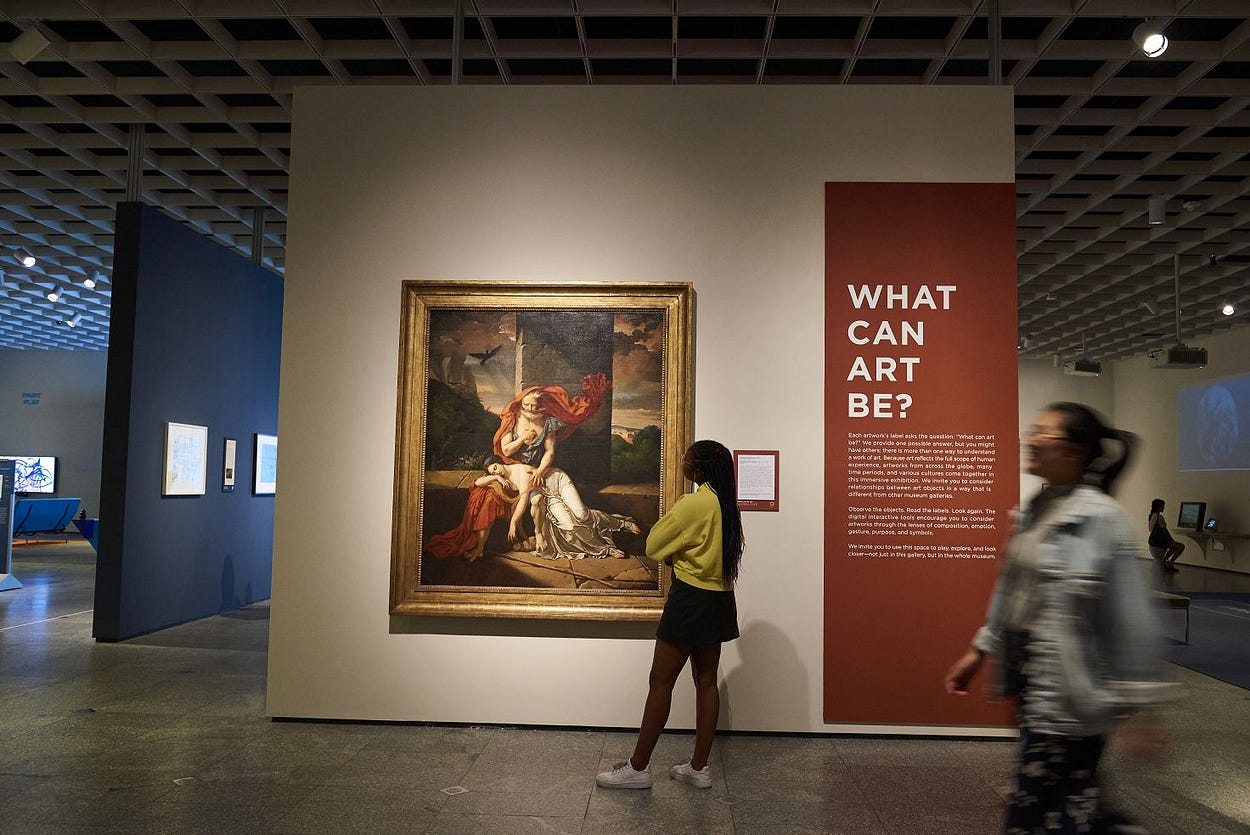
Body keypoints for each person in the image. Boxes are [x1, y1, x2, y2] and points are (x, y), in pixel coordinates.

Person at [944, 402, 1169, 833]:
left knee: (1038, 813)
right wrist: (979, 651)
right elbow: (1013, 591)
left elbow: (1130, 619)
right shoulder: (1035, 509)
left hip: (1072, 697)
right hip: (1036, 692)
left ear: (1072, 451)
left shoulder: (1102, 520)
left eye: (1042, 433)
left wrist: (1141, 707)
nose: (1030, 440)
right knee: (1068, 804)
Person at [596, 440, 745, 791]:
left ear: (698, 469)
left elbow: (653, 545)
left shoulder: (693, 503)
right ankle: (699, 768)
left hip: (690, 599)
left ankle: (638, 768)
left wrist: (675, 554)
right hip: (720, 600)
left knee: (660, 682)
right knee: (706, 682)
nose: (682, 463)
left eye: (685, 459)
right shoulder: (726, 502)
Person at [480, 458, 639, 559]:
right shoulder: (504, 479)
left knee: (582, 514)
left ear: (499, 462)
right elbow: (478, 482)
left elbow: (523, 499)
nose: (497, 471)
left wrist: (513, 523)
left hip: (557, 481)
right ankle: (605, 549)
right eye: (493, 471)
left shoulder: (519, 471)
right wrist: (496, 477)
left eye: (495, 467)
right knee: (569, 525)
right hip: (548, 497)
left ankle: (619, 523)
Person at [1148, 498, 1184, 573]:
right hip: (1160, 542)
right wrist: (1171, 540)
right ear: (1159, 507)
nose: (1164, 508)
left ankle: (1164, 561)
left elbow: (1150, 530)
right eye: (1162, 506)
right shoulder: (1160, 517)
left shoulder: (1151, 516)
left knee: (1174, 547)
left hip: (1153, 543)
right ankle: (1170, 563)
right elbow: (1165, 531)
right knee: (1181, 546)